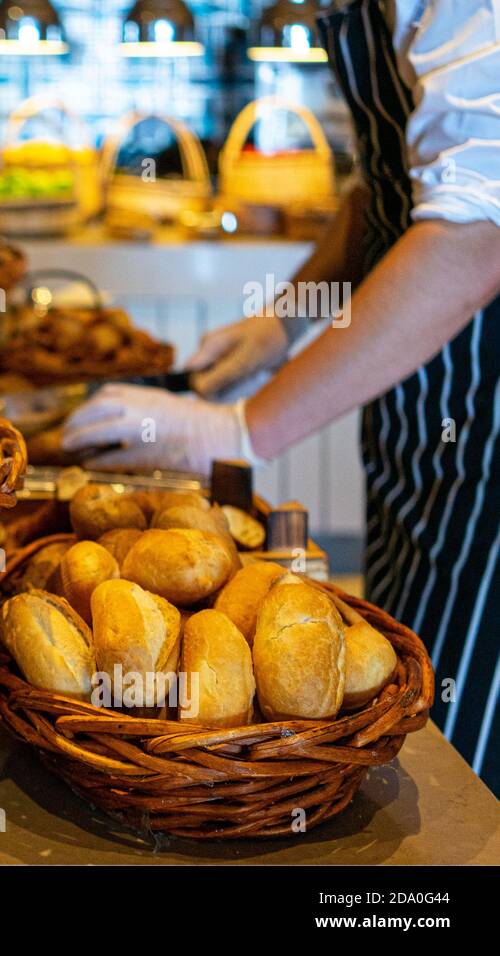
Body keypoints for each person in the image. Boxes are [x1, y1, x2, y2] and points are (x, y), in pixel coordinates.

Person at [60, 0, 500, 791]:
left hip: (489, 446)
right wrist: (281, 321)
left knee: (447, 769)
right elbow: (385, 191)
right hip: (415, 425)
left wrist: (242, 430)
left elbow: (475, 236)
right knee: (363, 697)